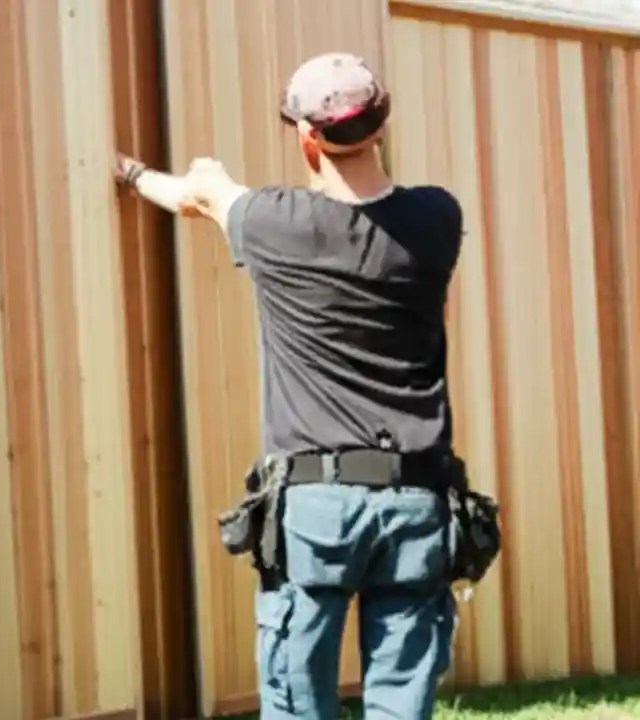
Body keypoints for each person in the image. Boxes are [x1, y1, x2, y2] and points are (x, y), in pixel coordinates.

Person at [115, 53, 471, 719]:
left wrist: (131, 173)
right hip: (418, 501)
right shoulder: (436, 220)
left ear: (309, 137)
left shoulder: (272, 222)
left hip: (318, 510)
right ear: (381, 123)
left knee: (298, 703)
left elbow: (197, 194)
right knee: (402, 707)